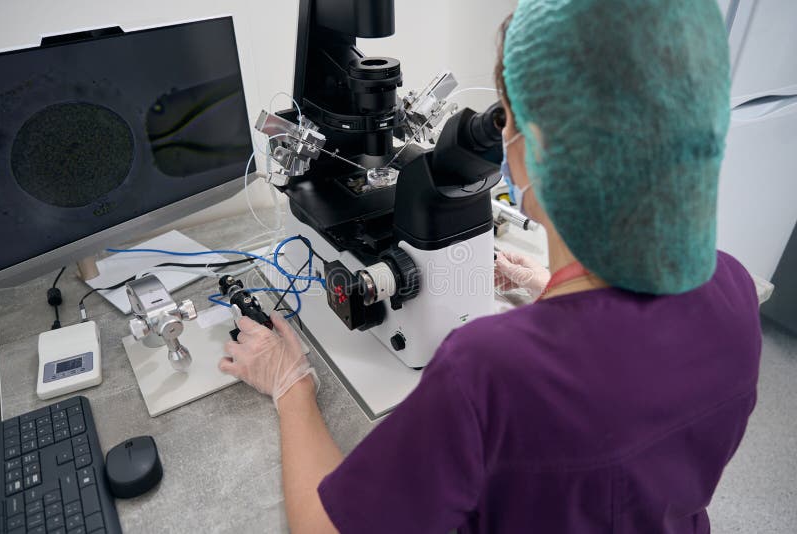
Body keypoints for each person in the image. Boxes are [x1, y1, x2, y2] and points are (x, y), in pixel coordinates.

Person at [220, 0, 762, 531]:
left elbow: (323, 528)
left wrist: (290, 384)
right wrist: (548, 287)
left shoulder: (488, 371)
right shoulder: (733, 287)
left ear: (522, 152)